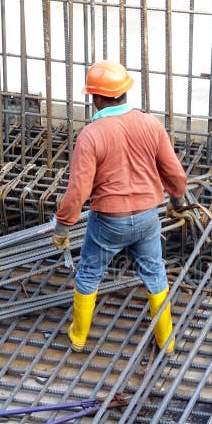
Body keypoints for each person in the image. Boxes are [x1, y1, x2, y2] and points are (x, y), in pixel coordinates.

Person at [52, 60, 188, 354]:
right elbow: (174, 173)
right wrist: (177, 201)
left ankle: (78, 336)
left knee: (89, 272)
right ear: (125, 92)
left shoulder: (92, 135)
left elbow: (78, 190)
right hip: (147, 218)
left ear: (96, 98)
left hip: (108, 221)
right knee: (154, 273)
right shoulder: (151, 124)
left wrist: (63, 226)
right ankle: (167, 340)